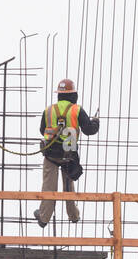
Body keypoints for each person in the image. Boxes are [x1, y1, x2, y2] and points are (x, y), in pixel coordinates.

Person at [34, 79, 100, 227]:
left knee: (48, 187)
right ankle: (73, 215)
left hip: (51, 155)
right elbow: (89, 130)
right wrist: (96, 122)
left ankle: (44, 218)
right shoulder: (77, 110)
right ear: (73, 94)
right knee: (68, 187)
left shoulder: (49, 110)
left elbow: (42, 130)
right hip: (68, 155)